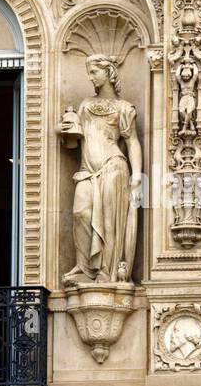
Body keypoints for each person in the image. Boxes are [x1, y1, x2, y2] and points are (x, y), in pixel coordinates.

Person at [59, 55, 143, 285]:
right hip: (87, 170)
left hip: (113, 167)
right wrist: (65, 127)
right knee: (81, 213)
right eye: (89, 72)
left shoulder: (124, 108)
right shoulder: (85, 105)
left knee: (109, 222)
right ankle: (85, 267)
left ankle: (107, 271)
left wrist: (137, 175)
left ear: (109, 72)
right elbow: (76, 140)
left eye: (94, 72)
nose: (90, 77)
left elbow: (132, 141)